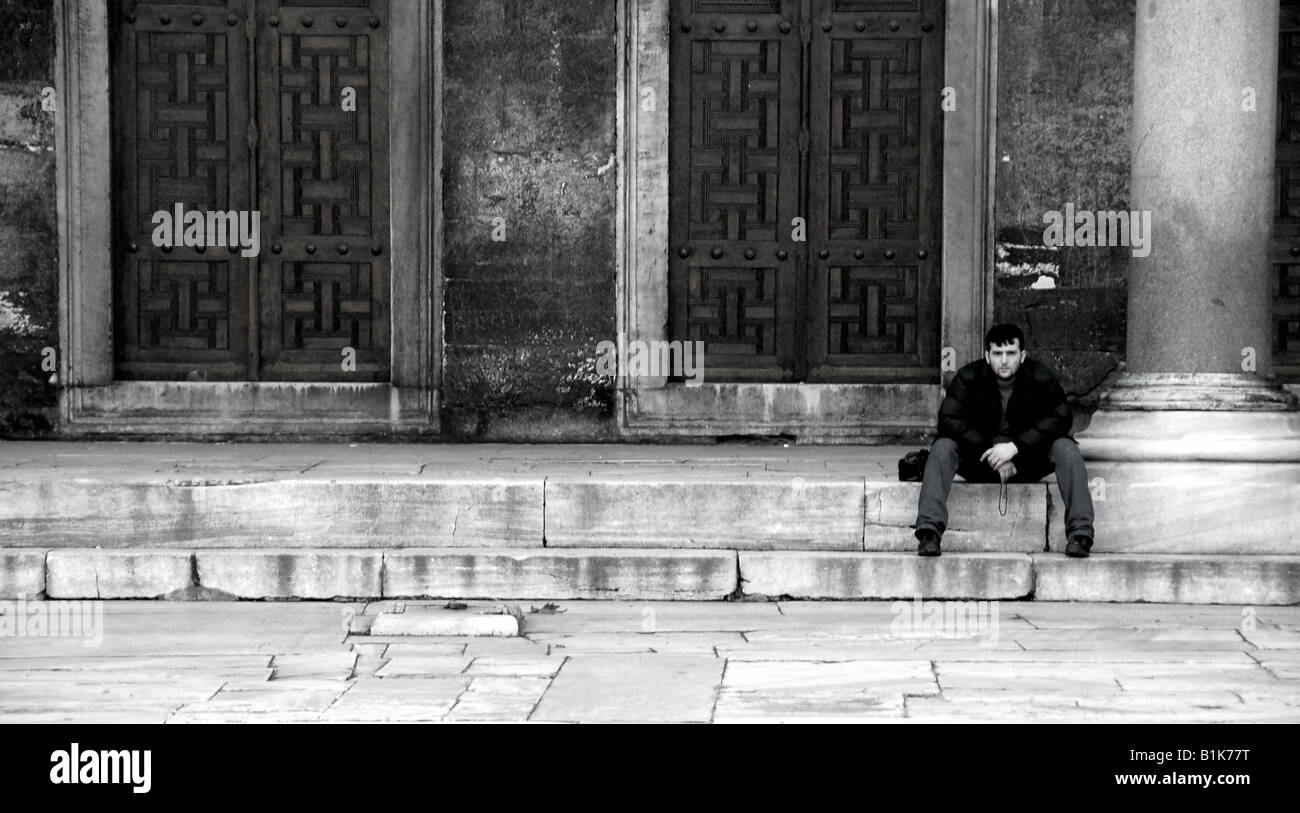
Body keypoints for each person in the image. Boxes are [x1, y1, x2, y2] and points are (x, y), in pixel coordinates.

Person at [913, 323, 1095, 558]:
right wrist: (992, 452)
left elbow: (1062, 417)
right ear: (987, 356)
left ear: (1023, 355)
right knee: (942, 447)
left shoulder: (1039, 377)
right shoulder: (969, 377)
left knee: (1066, 448)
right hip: (982, 461)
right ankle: (929, 533)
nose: (1005, 361)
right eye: (998, 354)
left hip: (1026, 461)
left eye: (1011, 353)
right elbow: (948, 419)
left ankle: (1080, 534)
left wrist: (1015, 448)